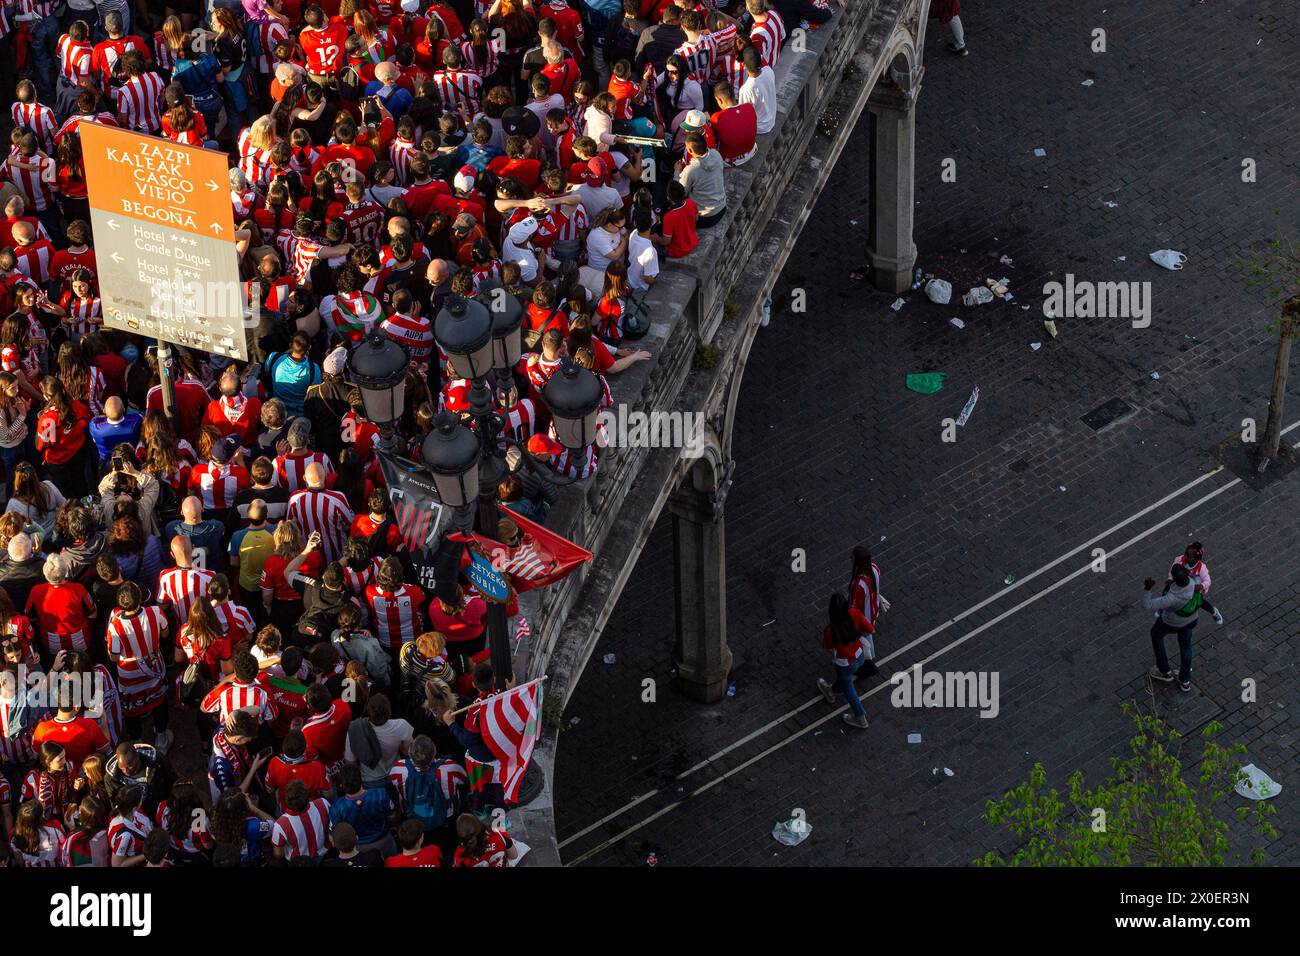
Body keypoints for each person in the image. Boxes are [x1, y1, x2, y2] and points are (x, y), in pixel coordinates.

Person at [816, 593, 874, 729]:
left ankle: (861, 718)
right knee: (845, 680)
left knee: (848, 688)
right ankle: (831, 691)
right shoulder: (854, 613)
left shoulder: (830, 630)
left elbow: (828, 647)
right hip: (859, 656)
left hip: (844, 663)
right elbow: (871, 629)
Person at [1143, 565, 1204, 692]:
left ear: (1175, 580)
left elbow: (1148, 605)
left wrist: (1148, 589)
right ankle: (1185, 681)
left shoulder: (1171, 598)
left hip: (1171, 623)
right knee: (1186, 646)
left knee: (1156, 635)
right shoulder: (1196, 583)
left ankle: (1165, 671)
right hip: (1191, 620)